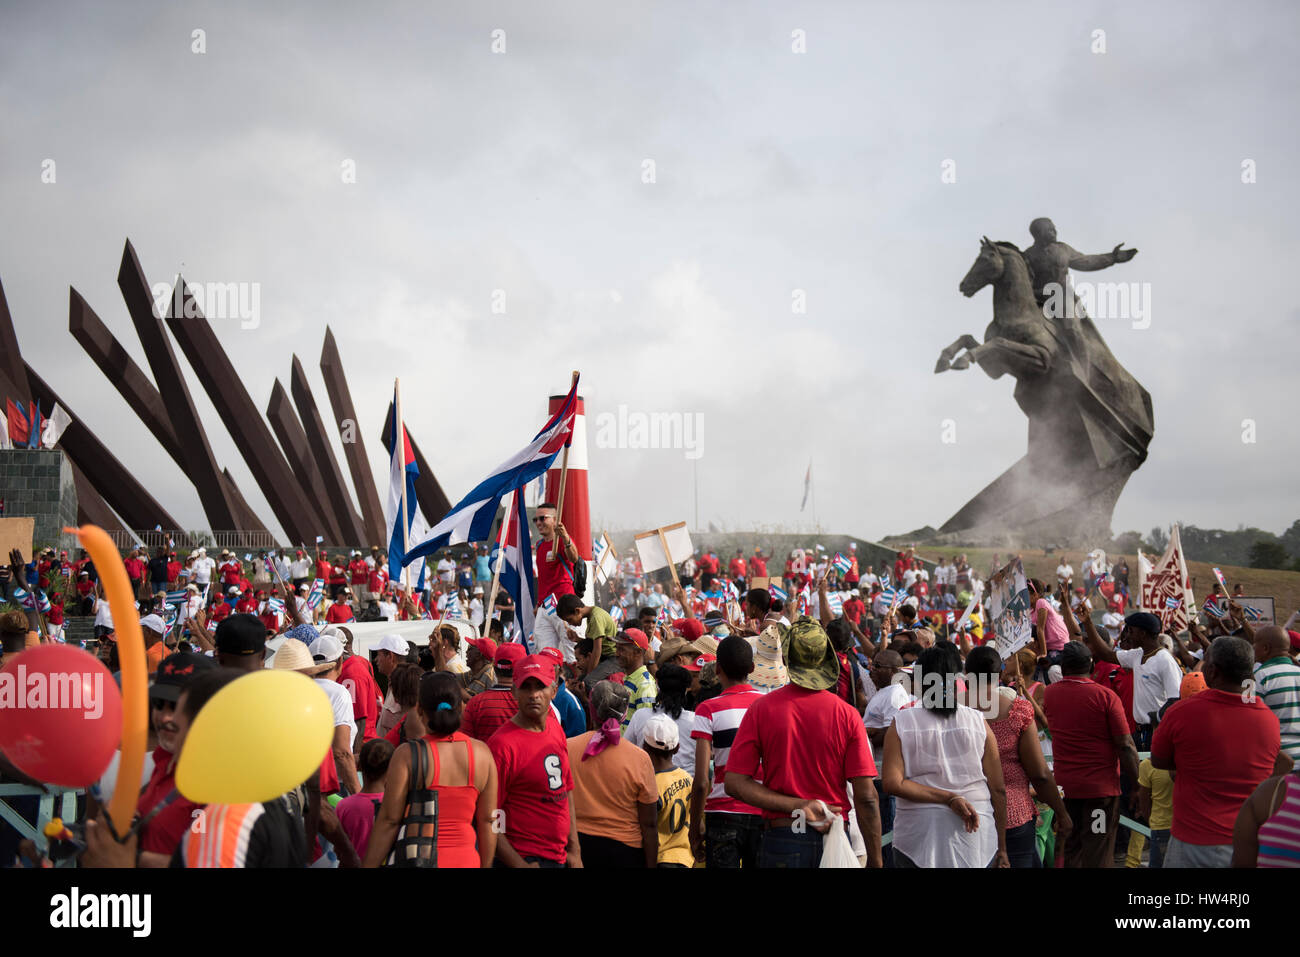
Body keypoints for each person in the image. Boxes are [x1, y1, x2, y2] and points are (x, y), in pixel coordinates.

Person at [725, 618, 881, 868]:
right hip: (835, 837)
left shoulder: (761, 710)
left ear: (786, 659)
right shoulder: (848, 715)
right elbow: (867, 798)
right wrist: (876, 860)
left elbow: (734, 782)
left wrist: (797, 806)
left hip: (783, 837)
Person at [1152, 637, 1291, 868]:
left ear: (1213, 671)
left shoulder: (1181, 712)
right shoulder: (1268, 719)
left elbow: (1159, 760)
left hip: (1193, 841)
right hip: (1247, 841)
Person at [883, 643, 1009, 868]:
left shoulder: (902, 722)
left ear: (920, 681)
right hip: (977, 839)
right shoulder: (978, 721)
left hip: (917, 840)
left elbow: (892, 783)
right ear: (957, 681)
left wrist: (949, 798)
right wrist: (1002, 847)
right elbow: (998, 789)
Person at [364, 672, 498, 867]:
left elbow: (389, 821)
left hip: (420, 859)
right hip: (466, 860)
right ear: (460, 708)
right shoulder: (482, 754)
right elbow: (488, 821)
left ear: (419, 710)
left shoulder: (407, 755)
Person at [964, 646, 1072, 867]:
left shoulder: (949, 708)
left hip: (963, 813)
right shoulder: (1016, 709)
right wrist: (1061, 813)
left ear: (967, 673)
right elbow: (1040, 774)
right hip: (1013, 815)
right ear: (999, 674)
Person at [1043, 641, 1140, 867]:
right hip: (1100, 792)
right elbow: (1125, 745)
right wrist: (1136, 785)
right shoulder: (1105, 696)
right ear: (1091, 665)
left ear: (1064, 667)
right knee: (1098, 850)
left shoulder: (1049, 694)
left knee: (1072, 848)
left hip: (1066, 790)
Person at [488, 654, 582, 867]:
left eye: (540, 687)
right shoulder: (502, 745)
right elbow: (490, 817)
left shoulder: (555, 728)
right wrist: (519, 864)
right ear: (514, 692)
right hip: (524, 856)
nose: (533, 695)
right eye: (526, 687)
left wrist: (574, 850)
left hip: (559, 856)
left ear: (554, 691)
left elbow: (566, 790)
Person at [689, 634, 765, 868]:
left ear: (718, 668)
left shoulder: (707, 709)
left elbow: (702, 780)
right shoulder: (768, 704)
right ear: (752, 668)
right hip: (763, 810)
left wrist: (694, 829)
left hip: (721, 814)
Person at [567, 680, 659, 867]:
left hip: (578, 847)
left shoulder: (567, 748)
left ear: (591, 709)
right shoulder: (640, 758)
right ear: (625, 715)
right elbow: (649, 824)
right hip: (625, 851)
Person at [1080, 610, 1182, 750]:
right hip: (1139, 732)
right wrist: (1087, 623)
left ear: (1143, 634)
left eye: (1131, 631)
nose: (1127, 636)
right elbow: (1106, 654)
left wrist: (1156, 718)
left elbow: (1175, 699)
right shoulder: (1137, 655)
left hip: (1158, 731)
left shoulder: (1165, 660)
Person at [643, 713, 694, 868]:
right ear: (677, 748)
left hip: (661, 859)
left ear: (645, 748)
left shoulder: (651, 786)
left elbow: (648, 829)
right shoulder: (688, 779)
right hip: (686, 859)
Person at [625, 664, 696, 774]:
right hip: (686, 787)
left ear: (657, 686)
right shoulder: (695, 720)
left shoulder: (640, 716)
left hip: (646, 783)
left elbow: (626, 750)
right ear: (686, 690)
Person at [336, 739, 394, 861]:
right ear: (392, 769)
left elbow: (338, 850)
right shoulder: (396, 805)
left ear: (358, 766)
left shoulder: (343, 806)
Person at [1252, 625, 1300, 763]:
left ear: (1266, 648)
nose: (1253, 648)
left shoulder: (1256, 678)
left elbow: (1246, 719)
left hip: (1277, 763)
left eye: (1255, 644)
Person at [461, 642, 527, 742]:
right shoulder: (534, 702)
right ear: (522, 669)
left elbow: (466, 745)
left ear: (494, 668)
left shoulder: (475, 704)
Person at [533, 502, 580, 604]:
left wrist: (565, 537)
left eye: (542, 518)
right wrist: (539, 603)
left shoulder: (563, 541)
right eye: (535, 520)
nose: (538, 523)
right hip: (544, 605)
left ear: (554, 520)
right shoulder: (539, 545)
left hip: (562, 604)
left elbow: (574, 558)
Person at [616, 628, 657, 731]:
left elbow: (646, 726)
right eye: (617, 648)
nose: (617, 653)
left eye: (622, 650)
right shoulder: (629, 678)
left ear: (638, 653)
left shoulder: (645, 684)